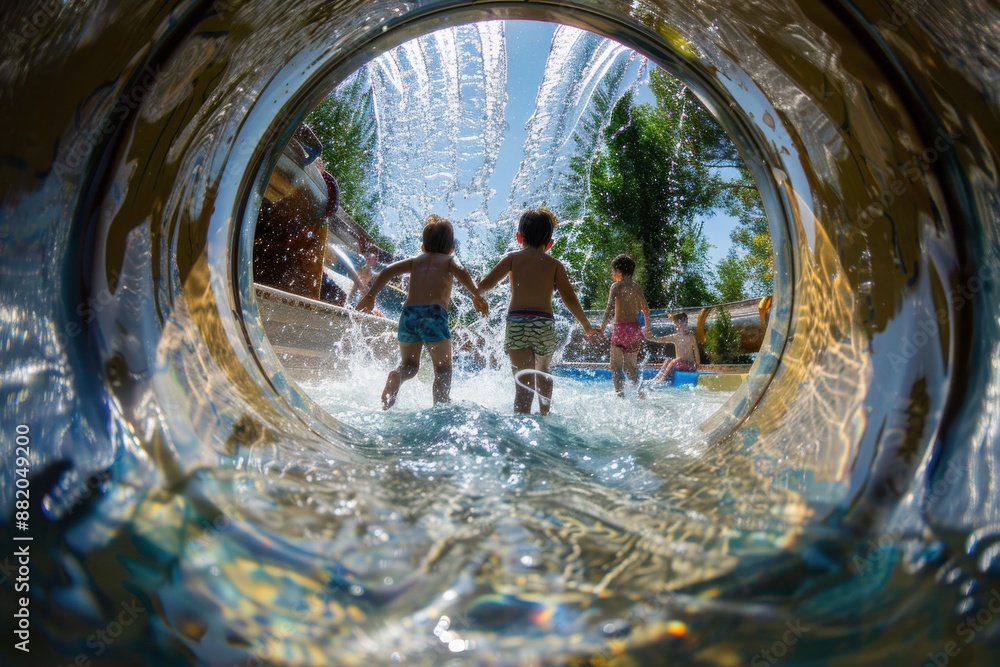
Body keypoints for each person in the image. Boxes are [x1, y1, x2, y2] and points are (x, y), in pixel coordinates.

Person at [477, 208, 601, 415]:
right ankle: (544, 412)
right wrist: (586, 325)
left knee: (523, 380)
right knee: (543, 371)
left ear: (519, 237)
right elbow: (569, 297)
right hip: (543, 324)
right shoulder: (555, 265)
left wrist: (475, 292)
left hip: (517, 323)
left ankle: (522, 418)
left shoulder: (512, 258)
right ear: (550, 243)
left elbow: (485, 285)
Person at [356, 215, 488, 409]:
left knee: (409, 365)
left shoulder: (415, 260)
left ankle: (397, 376)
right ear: (451, 248)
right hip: (434, 314)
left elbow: (386, 272)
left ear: (423, 246)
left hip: (409, 314)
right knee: (443, 370)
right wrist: (476, 295)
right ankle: (440, 406)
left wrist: (371, 295)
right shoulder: (448, 261)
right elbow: (463, 272)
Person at [599, 254, 650, 397]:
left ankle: (620, 396)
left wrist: (602, 328)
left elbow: (609, 309)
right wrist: (646, 328)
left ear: (618, 270)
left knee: (615, 367)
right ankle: (641, 395)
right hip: (634, 330)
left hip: (620, 329)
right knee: (630, 368)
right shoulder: (636, 287)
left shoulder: (616, 286)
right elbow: (645, 309)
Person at [647, 312, 701, 383]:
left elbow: (696, 353)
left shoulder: (691, 337)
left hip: (689, 366)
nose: (677, 325)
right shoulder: (675, 337)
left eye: (679, 323)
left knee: (675, 361)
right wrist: (648, 337)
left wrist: (697, 366)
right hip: (680, 364)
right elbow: (660, 339)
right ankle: (657, 378)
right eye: (676, 324)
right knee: (668, 360)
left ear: (685, 323)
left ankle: (662, 379)